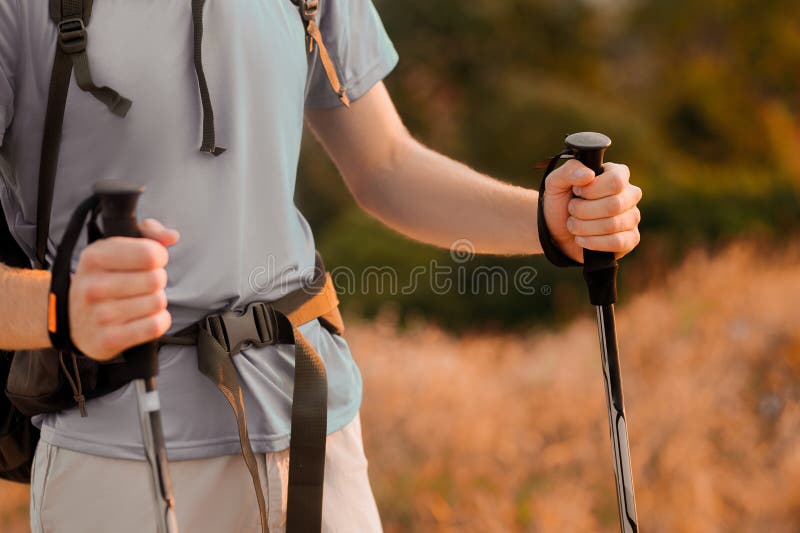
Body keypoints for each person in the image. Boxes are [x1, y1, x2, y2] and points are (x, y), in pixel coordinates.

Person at [0, 1, 642, 532]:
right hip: (120, 458)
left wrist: (544, 222)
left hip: (315, 435)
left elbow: (385, 165)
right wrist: (63, 306)